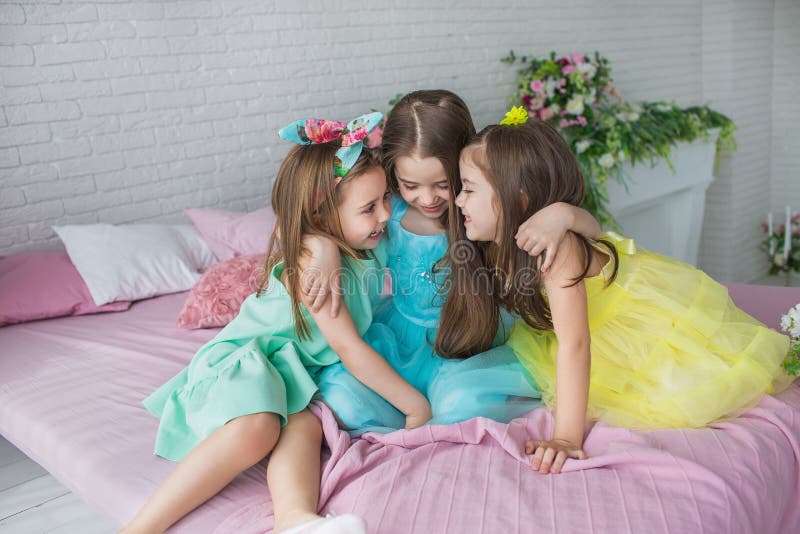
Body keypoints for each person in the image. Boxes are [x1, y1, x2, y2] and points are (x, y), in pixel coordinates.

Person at [435, 108, 794, 475]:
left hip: (626, 328)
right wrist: (566, 213)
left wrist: (566, 438)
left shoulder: (559, 252)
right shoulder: (501, 240)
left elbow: (575, 344)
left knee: (698, 379)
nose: (459, 200)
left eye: (469, 189)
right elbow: (592, 227)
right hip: (565, 328)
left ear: (519, 199)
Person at [122, 113, 430, 534]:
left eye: (385, 200)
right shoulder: (315, 266)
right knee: (259, 427)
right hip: (242, 365)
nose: (383, 215)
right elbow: (350, 350)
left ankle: (295, 520)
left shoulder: (362, 240)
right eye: (369, 208)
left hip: (290, 376)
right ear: (322, 215)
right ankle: (140, 528)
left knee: (303, 425)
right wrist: (416, 406)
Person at [303, 90, 601, 433]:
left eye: (444, 184)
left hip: (469, 338)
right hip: (401, 337)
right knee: (340, 394)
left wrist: (563, 214)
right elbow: (297, 221)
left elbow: (594, 239)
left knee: (459, 403)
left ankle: (430, 409)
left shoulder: (483, 217)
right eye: (410, 185)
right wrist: (321, 245)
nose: (427, 198)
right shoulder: (388, 211)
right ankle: (411, 409)